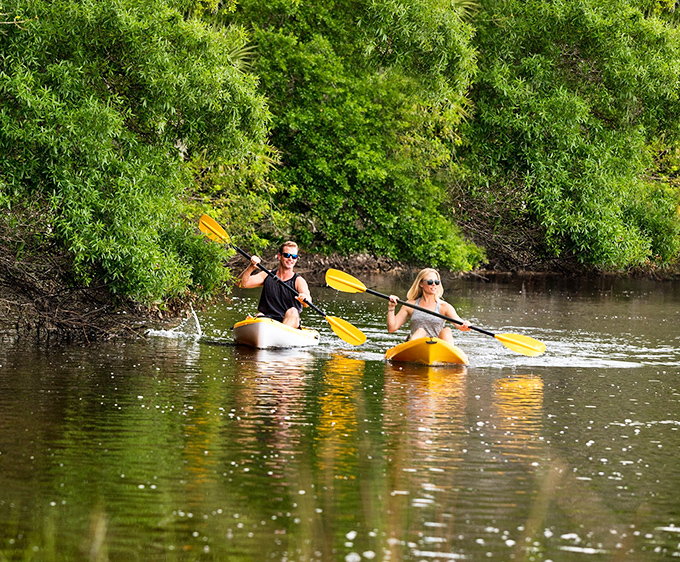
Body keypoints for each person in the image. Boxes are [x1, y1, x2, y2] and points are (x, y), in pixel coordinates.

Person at [239, 241, 311, 328]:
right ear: (279, 256)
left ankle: (280, 336)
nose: (290, 259)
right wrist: (251, 267)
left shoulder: (298, 281)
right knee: (260, 315)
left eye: (294, 256)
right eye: (287, 255)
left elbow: (308, 301)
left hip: (290, 322)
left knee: (293, 311)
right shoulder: (267, 275)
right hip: (268, 320)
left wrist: (304, 298)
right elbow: (242, 284)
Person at [387, 268, 470, 343]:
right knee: (421, 331)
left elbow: (460, 325)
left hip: (436, 346)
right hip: (415, 345)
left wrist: (466, 324)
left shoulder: (444, 307)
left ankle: (450, 357)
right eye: (430, 282)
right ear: (421, 284)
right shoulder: (410, 305)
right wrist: (391, 307)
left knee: (447, 331)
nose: (434, 284)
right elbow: (392, 328)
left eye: (436, 282)